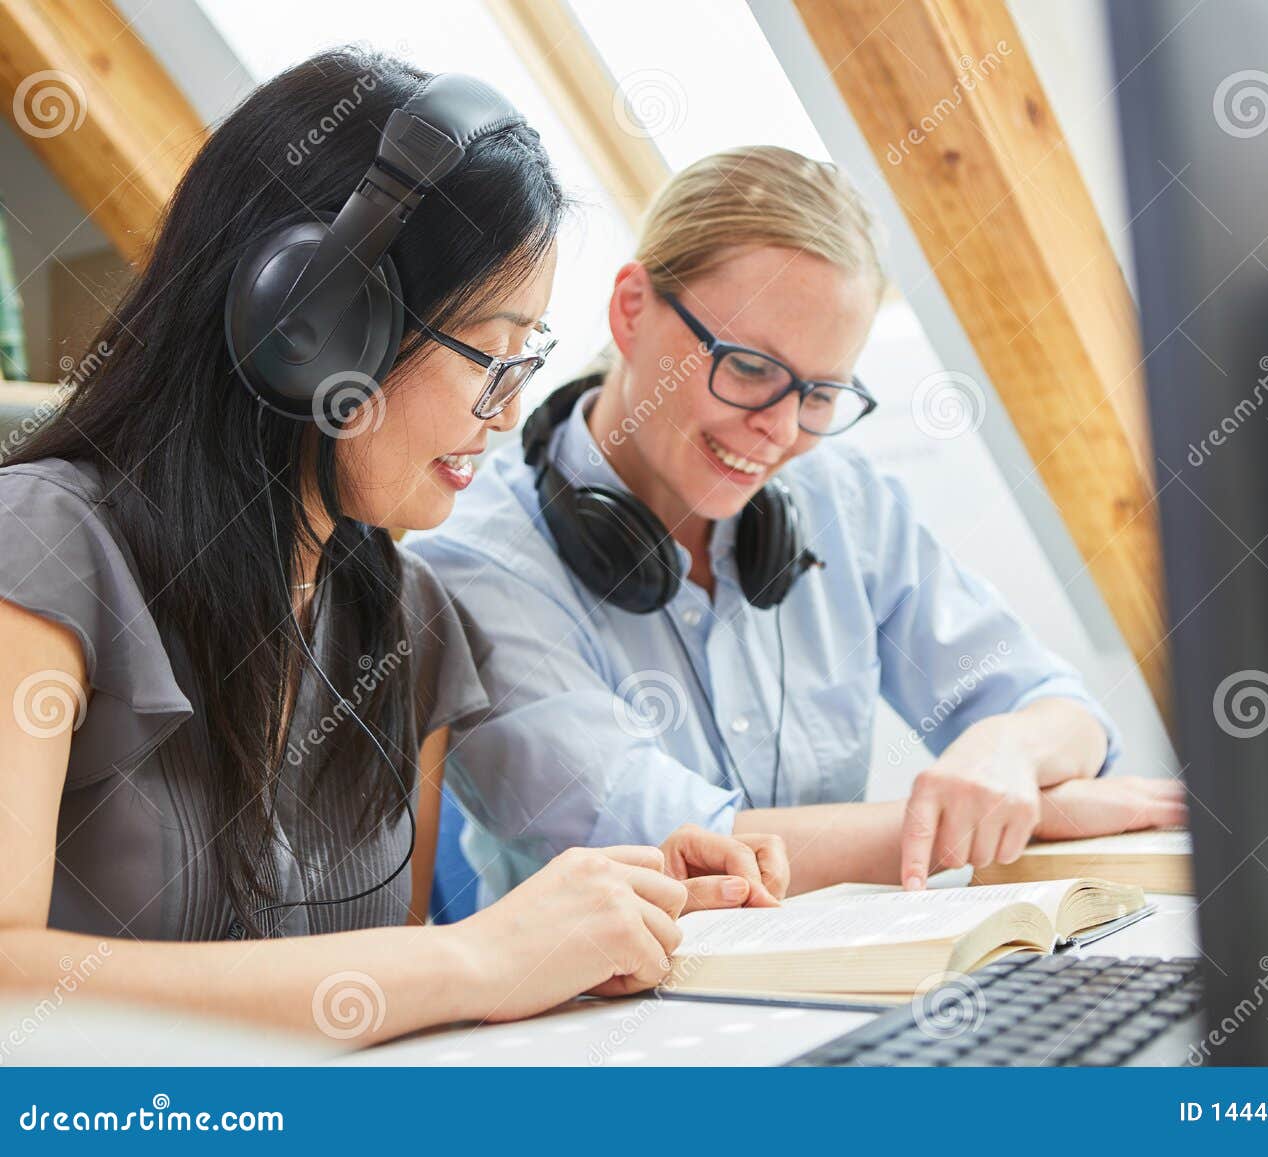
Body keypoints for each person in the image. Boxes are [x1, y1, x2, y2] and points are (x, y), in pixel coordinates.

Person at [0, 50, 785, 1047]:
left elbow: (387, 1007)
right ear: (313, 325)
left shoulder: (410, 620)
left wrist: (592, 927)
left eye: (526, 357)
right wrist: (476, 955)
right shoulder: (39, 544)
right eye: (488, 352)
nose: (505, 416)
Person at [409, 146, 1186, 907]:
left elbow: (1062, 708)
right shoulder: (475, 562)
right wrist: (991, 822)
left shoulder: (843, 499)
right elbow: (670, 842)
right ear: (632, 310)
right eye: (748, 367)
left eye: (819, 395)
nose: (779, 430)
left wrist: (1009, 748)